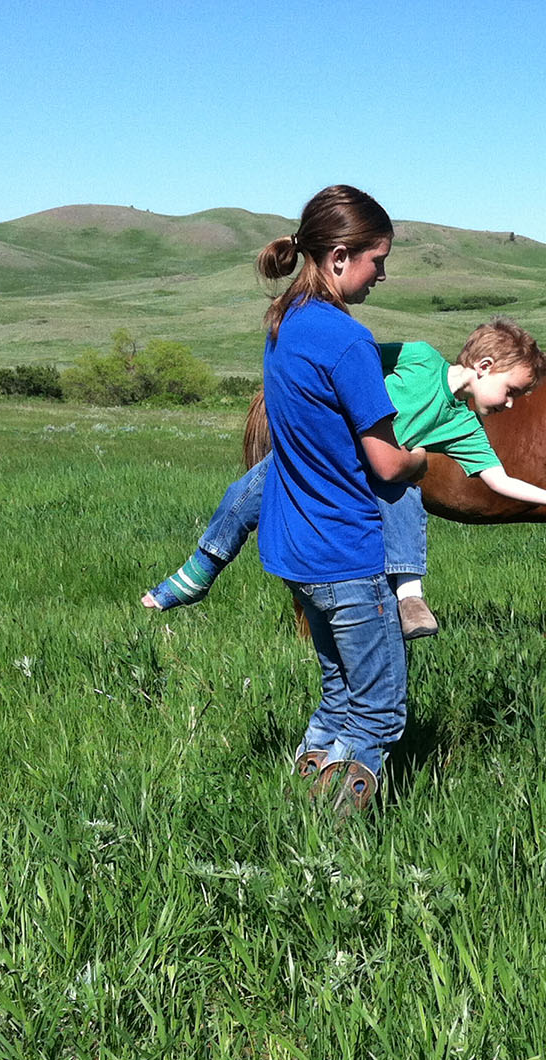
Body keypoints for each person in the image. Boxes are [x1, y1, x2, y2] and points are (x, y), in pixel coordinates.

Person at [143, 320, 546, 639]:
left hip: (373, 478)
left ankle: (410, 597)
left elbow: (499, 480)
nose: (512, 404)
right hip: (320, 449)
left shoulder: (462, 425)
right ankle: (200, 570)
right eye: (512, 391)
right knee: (243, 496)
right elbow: (354, 361)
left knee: (406, 496)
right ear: (485, 365)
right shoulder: (418, 358)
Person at [234, 185, 422, 816]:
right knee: (380, 712)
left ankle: (299, 805)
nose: (382, 275)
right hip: (348, 551)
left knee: (337, 696)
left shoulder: (282, 324)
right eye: (377, 260)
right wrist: (429, 457)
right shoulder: (349, 341)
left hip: (297, 551)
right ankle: (337, 836)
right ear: (340, 257)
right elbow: (387, 463)